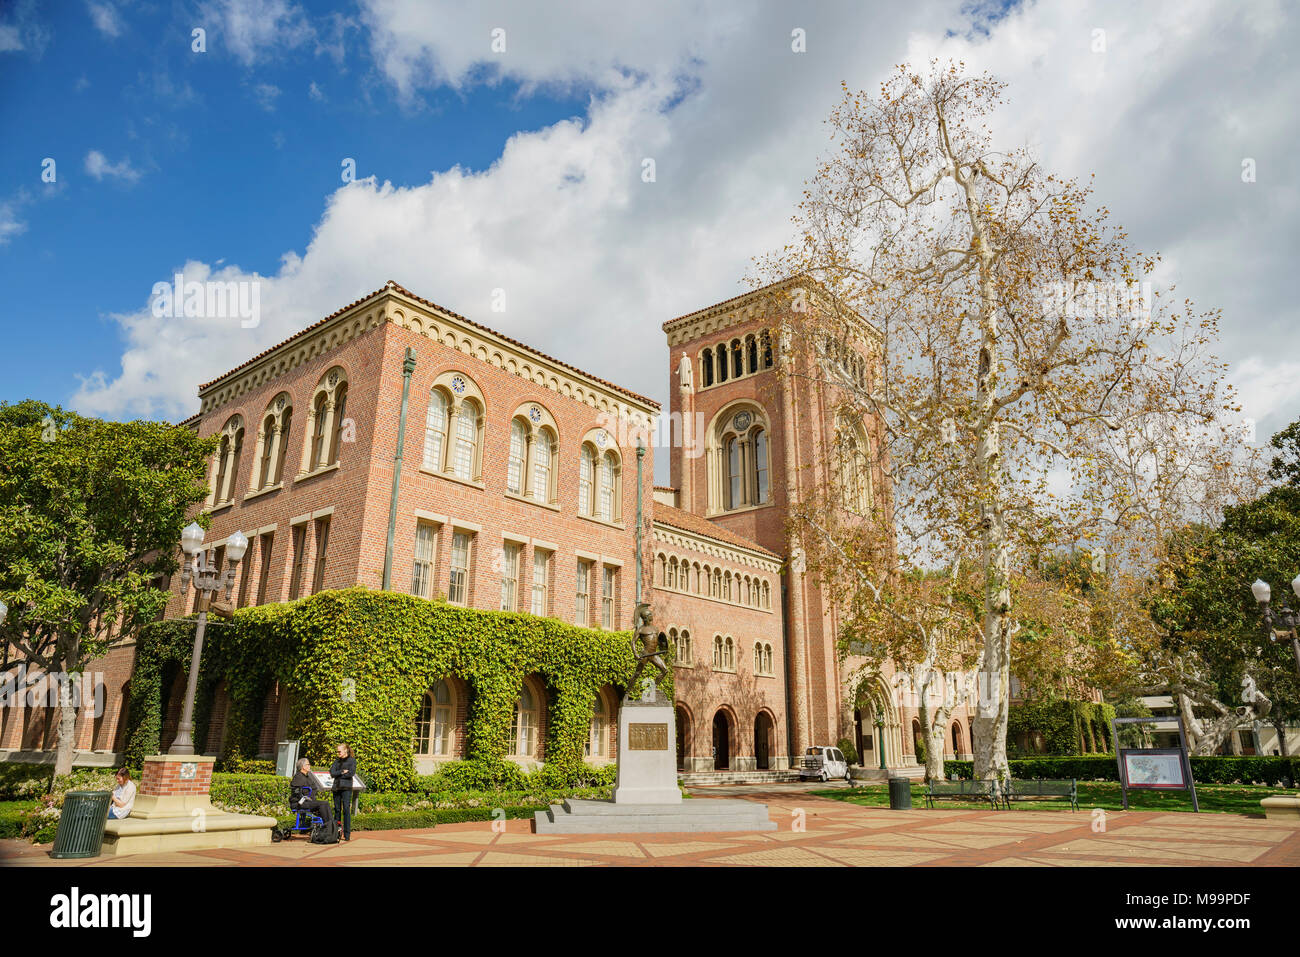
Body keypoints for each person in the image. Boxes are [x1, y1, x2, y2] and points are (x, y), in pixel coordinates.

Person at [289, 758, 335, 834]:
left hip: (309, 801)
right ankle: (328, 828)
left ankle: (330, 827)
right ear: (303, 767)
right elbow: (297, 793)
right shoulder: (298, 777)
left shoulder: (307, 777)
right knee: (323, 804)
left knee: (325, 804)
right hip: (300, 803)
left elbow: (313, 789)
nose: (309, 766)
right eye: (308, 764)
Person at [329, 743, 355, 842]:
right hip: (336, 788)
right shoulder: (336, 761)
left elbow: (351, 773)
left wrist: (339, 774)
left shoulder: (352, 761)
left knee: (346, 810)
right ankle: (336, 833)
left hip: (346, 788)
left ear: (345, 751)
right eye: (337, 751)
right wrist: (341, 772)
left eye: (339, 751)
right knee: (337, 810)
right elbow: (332, 773)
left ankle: (347, 834)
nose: (338, 753)